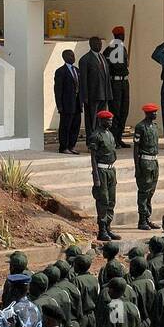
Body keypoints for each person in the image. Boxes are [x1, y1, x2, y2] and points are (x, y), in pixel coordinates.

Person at [89, 110, 119, 242]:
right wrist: (96, 176)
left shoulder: (110, 134)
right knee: (103, 200)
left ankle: (108, 227)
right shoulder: (96, 135)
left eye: (111, 120)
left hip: (111, 170)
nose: (110, 122)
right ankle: (102, 230)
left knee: (111, 200)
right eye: (108, 120)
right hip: (101, 171)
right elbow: (93, 157)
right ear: (101, 121)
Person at [53, 48, 82, 154]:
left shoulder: (77, 70)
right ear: (64, 57)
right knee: (66, 126)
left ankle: (72, 145)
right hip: (67, 103)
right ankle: (63, 147)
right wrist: (59, 105)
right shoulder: (61, 71)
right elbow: (58, 89)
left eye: (73, 55)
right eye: (70, 55)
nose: (73, 57)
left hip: (77, 103)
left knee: (75, 125)